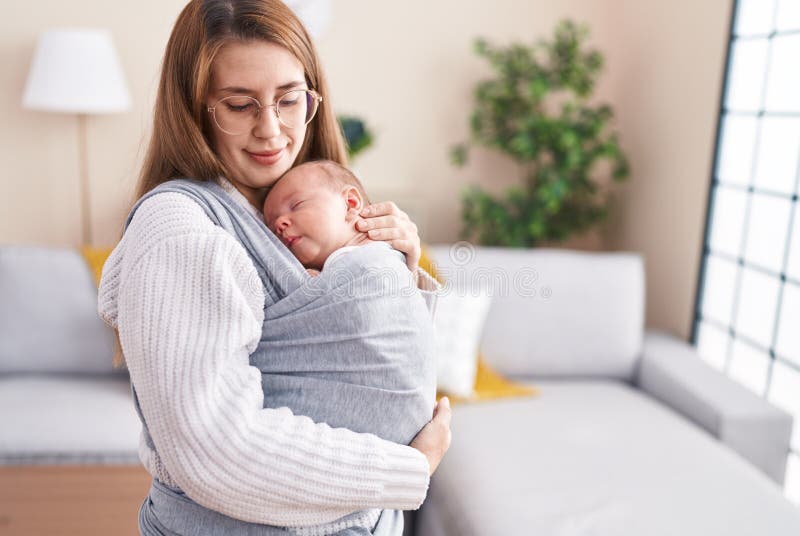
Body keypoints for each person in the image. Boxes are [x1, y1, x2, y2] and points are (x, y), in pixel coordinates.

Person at [96, 1, 451, 535]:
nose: (271, 130)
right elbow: (215, 449)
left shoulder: (295, 208)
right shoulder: (180, 230)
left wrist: (389, 267)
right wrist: (409, 468)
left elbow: (369, 360)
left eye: (288, 100)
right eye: (240, 105)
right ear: (193, 109)